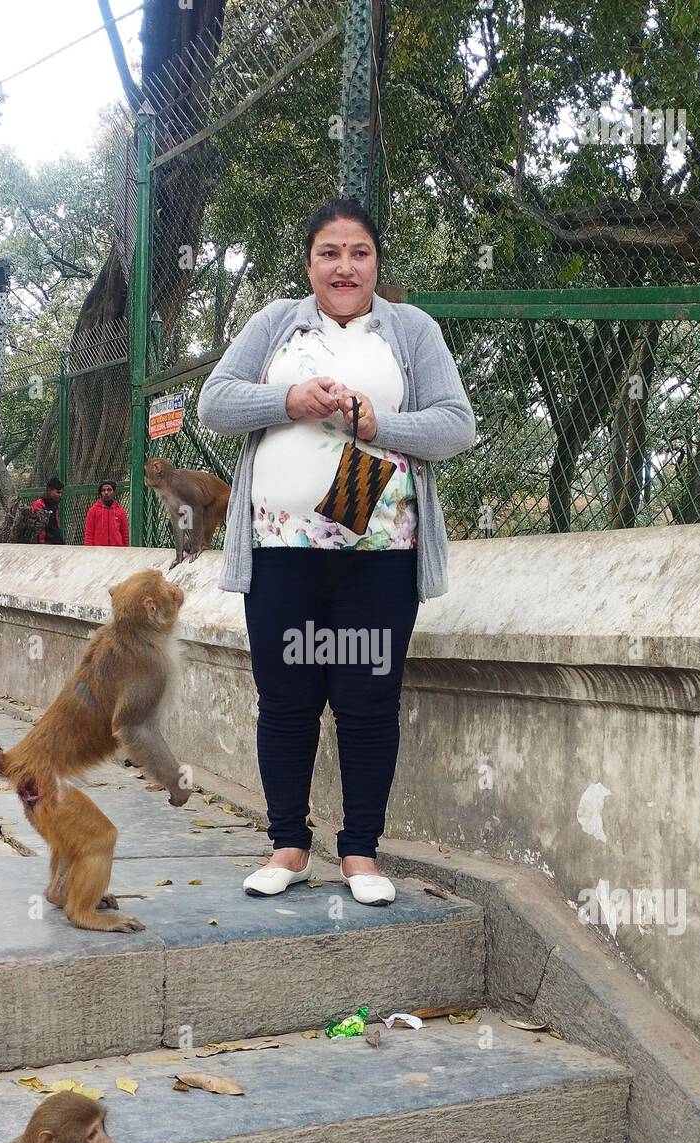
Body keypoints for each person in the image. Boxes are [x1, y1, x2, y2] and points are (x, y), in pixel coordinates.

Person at [197, 197, 475, 906]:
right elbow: (215, 403)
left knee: (366, 700)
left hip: (380, 556)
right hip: (281, 552)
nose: (344, 266)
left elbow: (455, 426)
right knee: (286, 699)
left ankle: (360, 853)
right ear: (309, 263)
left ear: (377, 263)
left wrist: (380, 423)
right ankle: (287, 844)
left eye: (359, 253)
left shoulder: (410, 331)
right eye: (330, 253)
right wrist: (288, 400)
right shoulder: (274, 325)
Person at [83, 479, 129, 546]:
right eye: (103, 490)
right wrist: (89, 550)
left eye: (109, 490)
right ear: (100, 493)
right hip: (98, 551)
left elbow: (125, 534)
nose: (106, 492)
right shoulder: (93, 511)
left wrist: (125, 550)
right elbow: (89, 534)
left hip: (117, 551)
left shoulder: (120, 512)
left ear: (114, 492)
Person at [29, 476, 65, 544]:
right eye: (57, 492)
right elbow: (37, 530)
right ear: (49, 490)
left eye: (61, 493)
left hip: (55, 540)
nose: (60, 495)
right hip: (43, 543)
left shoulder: (54, 505)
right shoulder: (38, 504)